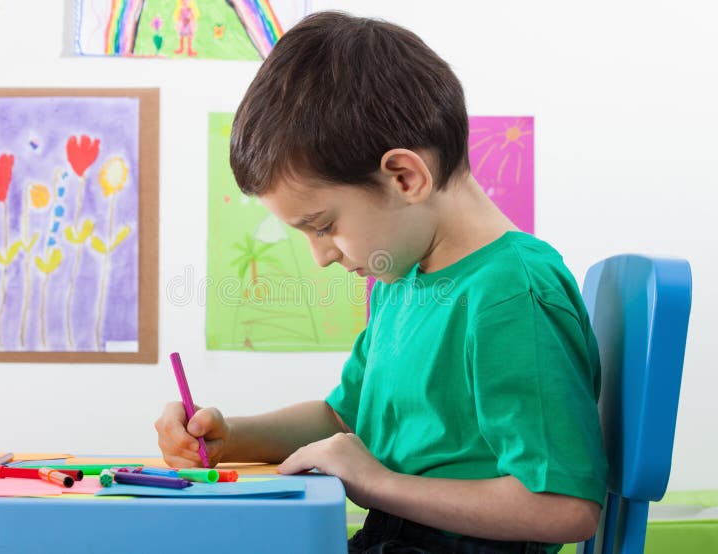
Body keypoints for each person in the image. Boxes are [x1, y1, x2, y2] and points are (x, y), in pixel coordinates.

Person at [156, 11, 607, 553]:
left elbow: (566, 509)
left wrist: (378, 484)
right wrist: (230, 436)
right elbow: (343, 418)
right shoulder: (402, 279)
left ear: (405, 177)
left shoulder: (512, 293)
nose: (320, 256)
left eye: (323, 226)